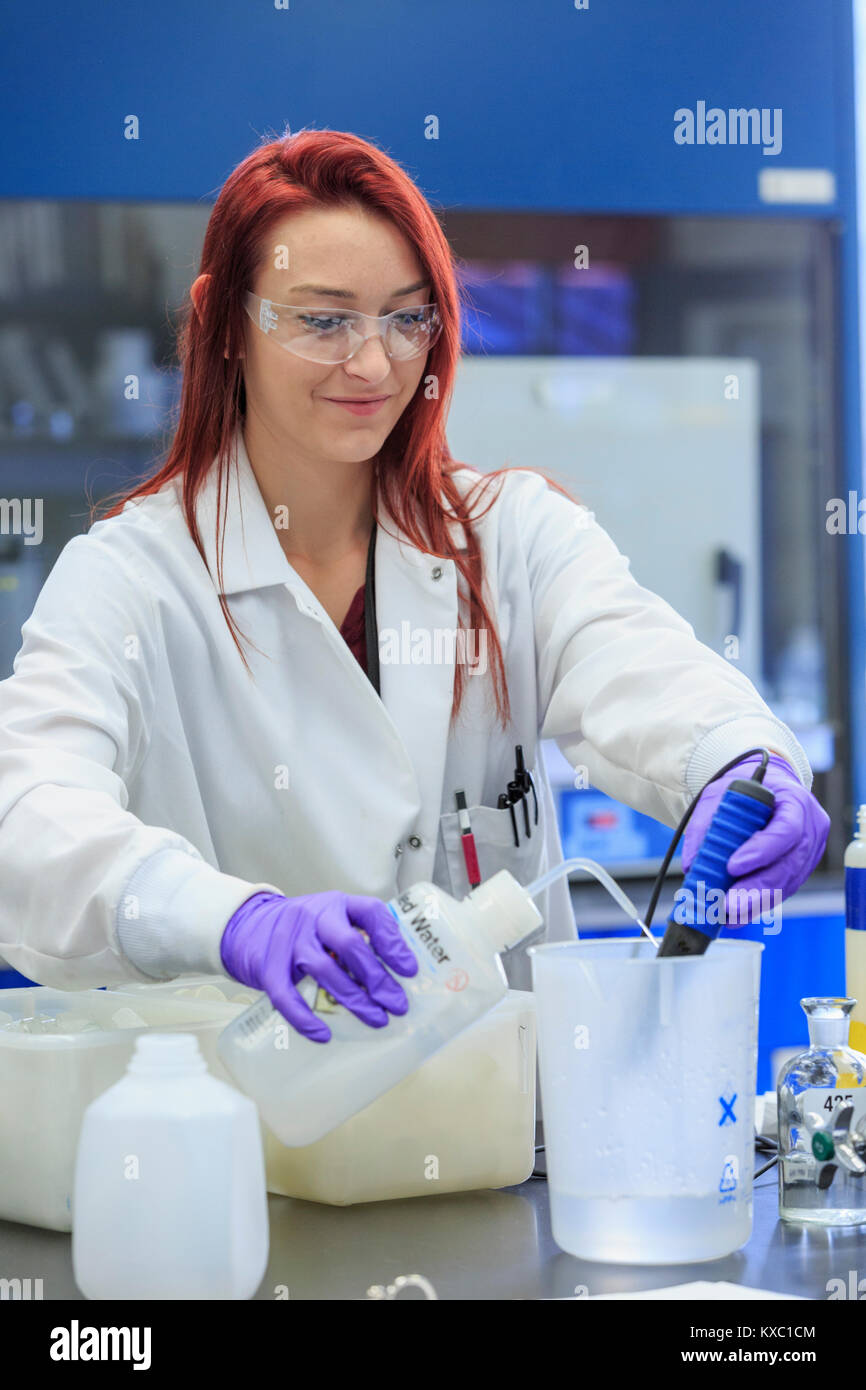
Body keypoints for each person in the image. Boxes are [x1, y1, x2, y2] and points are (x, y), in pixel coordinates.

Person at [0, 129, 829, 1042]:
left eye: (407, 317)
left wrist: (742, 760)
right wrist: (233, 922)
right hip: (256, 1152)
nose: (375, 364)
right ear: (225, 324)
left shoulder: (506, 535)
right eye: (323, 320)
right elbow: (28, 815)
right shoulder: (134, 579)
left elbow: (637, 661)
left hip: (500, 1139)